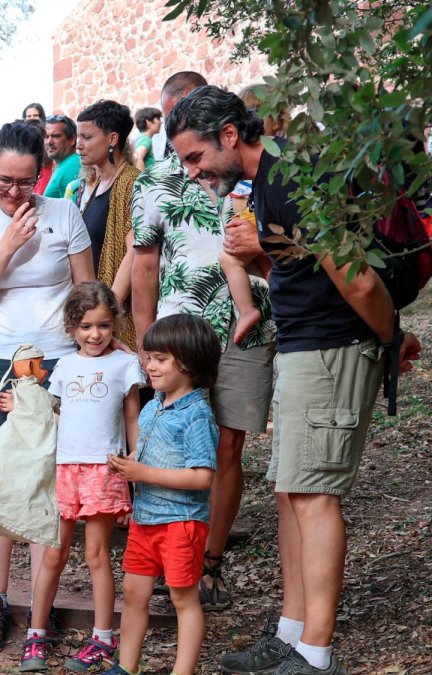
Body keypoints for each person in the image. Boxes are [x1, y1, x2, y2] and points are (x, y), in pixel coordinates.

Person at [169, 85, 421, 675]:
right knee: (290, 492)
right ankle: (290, 631)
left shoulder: (292, 176)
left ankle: (315, 653)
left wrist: (388, 340)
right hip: (305, 346)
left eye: (195, 156)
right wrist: (263, 251)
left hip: (331, 350)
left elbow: (357, 280)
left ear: (229, 135)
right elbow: (304, 265)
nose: (192, 170)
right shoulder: (266, 183)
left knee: (313, 496)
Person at [130, 71, 277, 614]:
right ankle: (174, 559)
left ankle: (209, 561)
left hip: (247, 325)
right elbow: (144, 263)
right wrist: (147, 343)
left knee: (227, 447)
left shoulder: (254, 170)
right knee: (174, 445)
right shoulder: (156, 180)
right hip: (181, 331)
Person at [0, 121, 95, 650]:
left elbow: (86, 292)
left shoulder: (64, 213)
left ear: (44, 174)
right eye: (6, 181)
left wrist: (98, 352)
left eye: (26, 181)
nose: (15, 192)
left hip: (58, 362)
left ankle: (42, 601)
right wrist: (7, 247)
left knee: (47, 481)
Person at [15, 281, 142, 673]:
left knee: (96, 554)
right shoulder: (64, 367)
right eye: (86, 326)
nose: (95, 334)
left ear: (115, 325)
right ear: (72, 327)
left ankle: (102, 638)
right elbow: (56, 416)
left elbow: (131, 416)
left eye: (104, 326)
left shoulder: (125, 365)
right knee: (54, 552)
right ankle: (36, 634)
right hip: (65, 467)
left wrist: (135, 461)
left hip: (104, 468)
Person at [104, 313, 221, 675]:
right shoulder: (154, 404)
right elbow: (145, 455)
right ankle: (127, 667)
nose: (149, 366)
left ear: (188, 362)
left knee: (182, 599)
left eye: (160, 359)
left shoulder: (197, 415)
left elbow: (202, 478)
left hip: (181, 524)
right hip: (145, 521)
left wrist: (145, 473)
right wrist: (127, 467)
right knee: (134, 596)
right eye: (148, 357)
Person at [74, 99, 139, 348]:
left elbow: (134, 251)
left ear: (112, 139)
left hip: (117, 319)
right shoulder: (96, 184)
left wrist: (107, 311)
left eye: (87, 137)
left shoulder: (131, 183)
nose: (78, 145)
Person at [42, 114, 81, 199]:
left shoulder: (74, 166)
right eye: (46, 136)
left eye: (56, 136)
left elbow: (73, 209)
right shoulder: (65, 164)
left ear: (72, 140)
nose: (49, 142)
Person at [133, 107, 162, 171]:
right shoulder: (146, 140)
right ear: (148, 122)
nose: (161, 122)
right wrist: (143, 180)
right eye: (158, 119)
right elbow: (137, 157)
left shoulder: (140, 138)